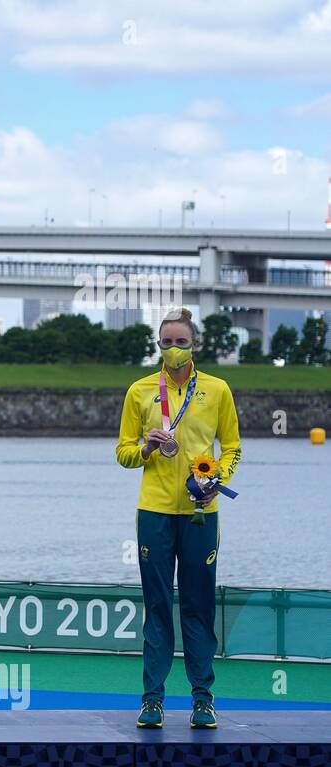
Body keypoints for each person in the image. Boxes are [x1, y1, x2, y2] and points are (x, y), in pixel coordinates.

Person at [116, 307, 240, 730]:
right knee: (157, 606)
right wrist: (147, 449)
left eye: (181, 342)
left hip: (201, 513)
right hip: (154, 511)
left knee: (198, 606)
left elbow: (233, 447)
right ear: (158, 345)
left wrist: (218, 479)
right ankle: (152, 700)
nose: (173, 349)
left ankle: (203, 700)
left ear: (194, 345)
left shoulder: (218, 390)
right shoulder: (139, 391)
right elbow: (123, 453)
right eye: (166, 342)